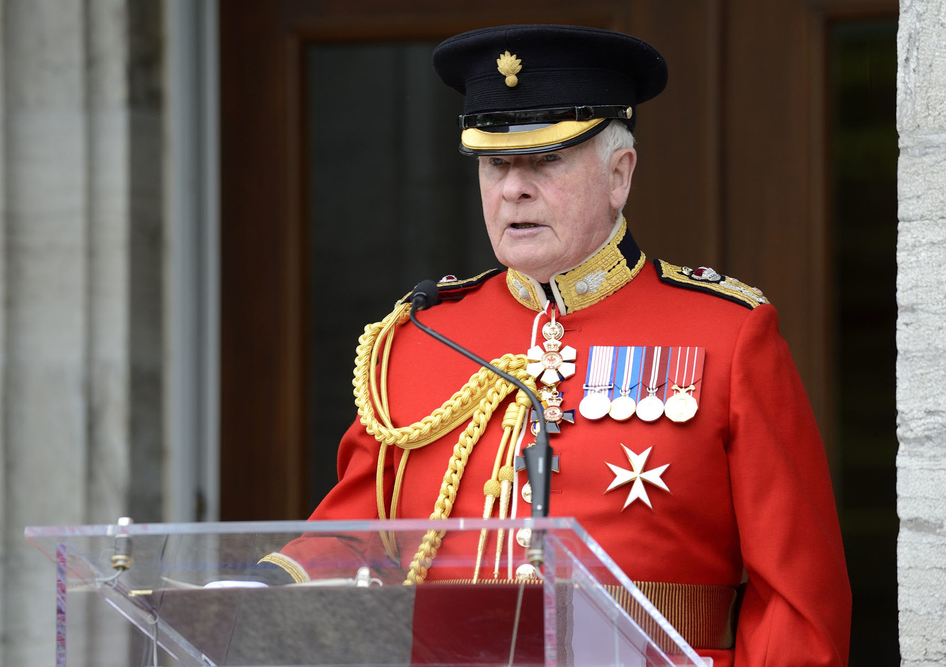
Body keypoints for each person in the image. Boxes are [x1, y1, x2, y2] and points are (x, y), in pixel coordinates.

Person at [256, 24, 851, 666]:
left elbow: (797, 603)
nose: (513, 188)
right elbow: (353, 537)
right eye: (496, 164)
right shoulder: (418, 338)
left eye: (545, 161)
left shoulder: (727, 335)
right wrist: (249, 592)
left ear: (619, 175)